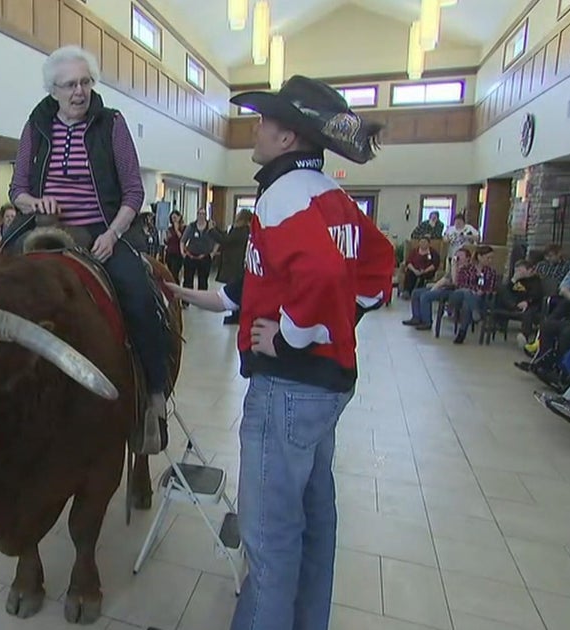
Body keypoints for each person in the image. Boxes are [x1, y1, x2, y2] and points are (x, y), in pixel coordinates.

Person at [166, 75, 393, 630]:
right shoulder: (330, 196)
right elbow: (375, 269)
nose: (257, 129)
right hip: (325, 387)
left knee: (269, 541)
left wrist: (293, 333)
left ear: (288, 136)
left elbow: (316, 274)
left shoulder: (280, 195)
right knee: (315, 525)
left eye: (265, 121)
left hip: (287, 389)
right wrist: (179, 293)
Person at [8, 45, 171, 452]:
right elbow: (17, 190)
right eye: (69, 85)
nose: (79, 92)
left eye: (85, 82)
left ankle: (154, 395)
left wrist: (113, 234)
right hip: (44, 226)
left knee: (138, 293)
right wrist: (34, 203)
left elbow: (134, 191)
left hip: (103, 229)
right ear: (53, 90)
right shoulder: (36, 124)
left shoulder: (111, 123)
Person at [403, 247, 471, 331]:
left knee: (426, 296)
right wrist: (434, 287)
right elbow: (444, 280)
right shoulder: (455, 267)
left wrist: (454, 267)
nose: (457, 257)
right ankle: (416, 317)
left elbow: (455, 283)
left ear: (467, 258)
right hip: (443, 287)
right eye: (456, 255)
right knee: (416, 293)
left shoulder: (468, 269)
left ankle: (427, 322)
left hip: (453, 291)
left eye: (460, 255)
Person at [447, 245, 500, 344]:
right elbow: (460, 284)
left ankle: (462, 333)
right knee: (466, 292)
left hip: (478, 299)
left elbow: (491, 288)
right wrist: (474, 290)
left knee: (467, 304)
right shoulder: (466, 269)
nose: (490, 260)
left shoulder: (491, 272)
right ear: (479, 257)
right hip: (459, 296)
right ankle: (475, 312)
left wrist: (482, 292)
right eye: (488, 258)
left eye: (491, 258)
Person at [495, 258, 545, 343]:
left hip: (528, 305)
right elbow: (507, 292)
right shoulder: (517, 279)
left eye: (520, 270)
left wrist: (526, 302)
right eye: (516, 270)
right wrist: (513, 280)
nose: (517, 273)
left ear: (529, 270)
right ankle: (511, 309)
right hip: (513, 303)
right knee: (501, 289)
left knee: (529, 312)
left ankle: (524, 336)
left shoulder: (535, 281)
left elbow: (536, 295)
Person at [181, 208, 217, 290]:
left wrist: (213, 253)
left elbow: (218, 241)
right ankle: (186, 301)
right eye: (199, 214)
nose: (201, 216)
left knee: (203, 280)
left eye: (203, 214)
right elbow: (183, 240)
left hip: (205, 257)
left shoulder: (210, 227)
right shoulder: (191, 226)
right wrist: (183, 253)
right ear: (197, 215)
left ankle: (201, 301)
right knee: (188, 280)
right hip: (191, 256)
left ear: (205, 215)